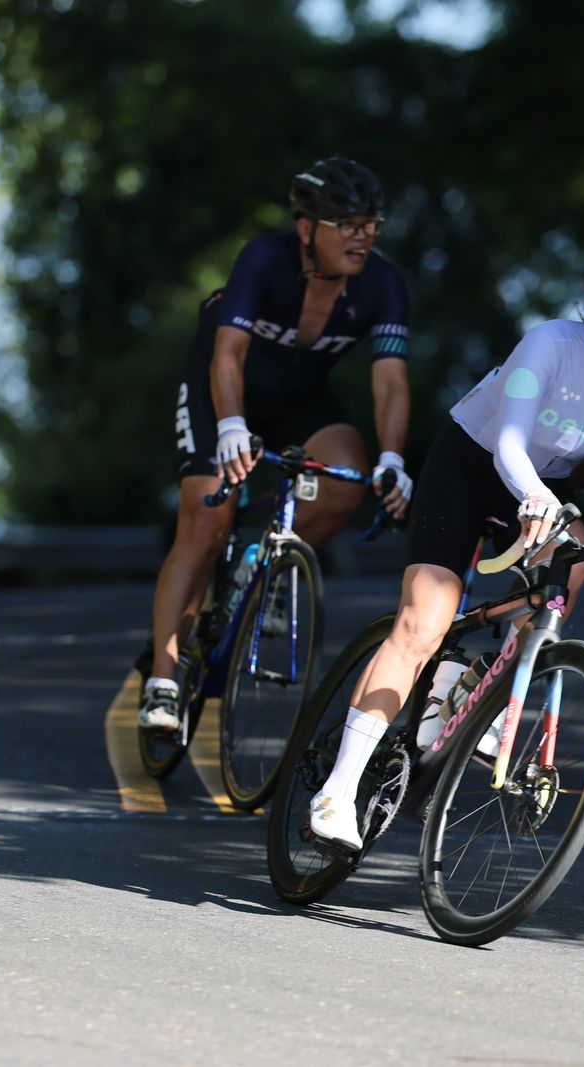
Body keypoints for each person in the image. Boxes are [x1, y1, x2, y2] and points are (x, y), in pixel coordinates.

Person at [307, 234, 584, 850]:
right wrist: (540, 502)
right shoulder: (550, 344)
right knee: (423, 624)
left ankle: (487, 697)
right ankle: (338, 791)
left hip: (537, 489)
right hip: (468, 471)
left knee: (572, 563)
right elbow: (509, 445)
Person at [138, 158, 414, 730]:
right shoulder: (265, 259)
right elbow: (228, 355)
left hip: (301, 399)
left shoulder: (382, 284)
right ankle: (163, 679)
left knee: (347, 483)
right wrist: (233, 426)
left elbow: (390, 380)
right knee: (207, 519)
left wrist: (393, 459)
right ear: (307, 228)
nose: (362, 235)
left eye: (370, 223)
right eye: (346, 223)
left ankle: (267, 575)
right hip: (224, 389)